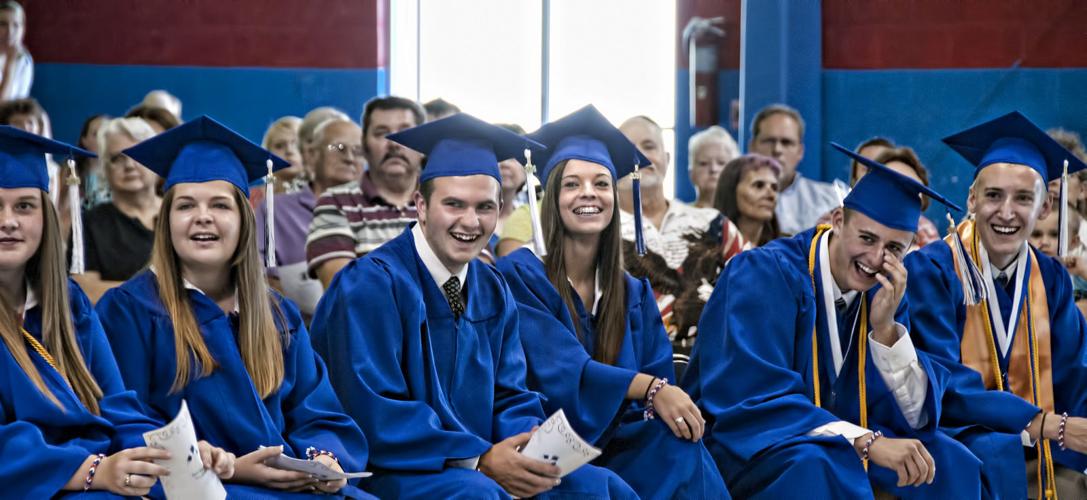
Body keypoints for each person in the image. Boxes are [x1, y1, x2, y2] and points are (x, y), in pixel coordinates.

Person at [311, 112, 638, 499]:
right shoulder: (371, 285)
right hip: (395, 468)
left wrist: (526, 446)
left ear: (500, 209)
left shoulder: (492, 287)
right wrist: (479, 459)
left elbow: (511, 392)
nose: (470, 221)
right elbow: (373, 410)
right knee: (477, 495)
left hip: (480, 461)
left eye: (485, 207)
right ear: (420, 205)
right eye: (454, 204)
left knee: (599, 486)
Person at [684, 141, 983, 498]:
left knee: (949, 459)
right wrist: (867, 442)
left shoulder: (885, 291)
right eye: (867, 238)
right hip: (750, 449)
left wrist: (886, 331)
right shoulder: (764, 274)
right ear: (839, 220)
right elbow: (751, 398)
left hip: (838, 442)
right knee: (818, 464)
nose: (875, 258)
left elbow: (910, 414)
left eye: (893, 248)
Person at [95, 116, 371, 498]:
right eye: (186, 205)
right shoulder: (129, 310)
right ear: (166, 222)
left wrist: (324, 459)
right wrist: (215, 465)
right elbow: (124, 420)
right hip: (204, 490)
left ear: (244, 220)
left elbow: (317, 411)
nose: (203, 216)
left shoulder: (278, 315)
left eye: (220, 205)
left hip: (292, 484)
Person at [497, 105, 730, 498]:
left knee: (680, 449)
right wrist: (651, 387)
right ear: (552, 198)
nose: (588, 193)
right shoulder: (521, 275)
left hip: (618, 443)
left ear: (615, 198)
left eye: (601, 183)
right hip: (547, 446)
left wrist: (659, 398)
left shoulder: (633, 292)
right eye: (572, 184)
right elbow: (561, 371)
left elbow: (657, 389)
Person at [0, 125, 233, 497]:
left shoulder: (68, 304)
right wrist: (90, 471)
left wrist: (178, 455)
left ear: (44, 216)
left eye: (24, 205)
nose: (9, 221)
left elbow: (116, 404)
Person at [905, 111, 1087, 499]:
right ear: (972, 198)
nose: (1006, 212)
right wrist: (1042, 423)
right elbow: (943, 381)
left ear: (1045, 208)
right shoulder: (933, 270)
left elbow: (1075, 372)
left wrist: (1069, 435)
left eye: (1024, 198)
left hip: (1044, 443)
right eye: (993, 195)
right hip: (960, 439)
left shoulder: (1051, 278)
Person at [306, 96, 424, 288]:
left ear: (422, 146)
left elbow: (474, 287)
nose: (394, 142)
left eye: (405, 132)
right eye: (381, 133)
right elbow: (348, 291)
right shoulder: (336, 203)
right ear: (365, 148)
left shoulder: (447, 201)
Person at [256, 118, 364, 319]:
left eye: (358, 150)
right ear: (312, 155)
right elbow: (263, 278)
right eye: (338, 148)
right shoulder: (273, 209)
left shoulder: (382, 209)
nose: (349, 157)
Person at [73, 117, 159, 303]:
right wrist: (160, 292)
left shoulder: (180, 213)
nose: (129, 165)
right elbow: (85, 291)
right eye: (116, 158)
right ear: (104, 167)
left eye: (137, 154)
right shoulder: (89, 224)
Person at [617, 115, 721, 269]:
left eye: (649, 146)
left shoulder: (713, 223)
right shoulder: (595, 232)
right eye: (626, 149)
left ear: (667, 159)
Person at [749, 104, 847, 236]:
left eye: (786, 142)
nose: (777, 150)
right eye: (769, 141)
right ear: (752, 147)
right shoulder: (734, 201)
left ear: (800, 151)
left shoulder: (831, 199)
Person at [713, 153, 781, 246]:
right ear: (731, 191)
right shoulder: (705, 252)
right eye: (759, 185)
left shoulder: (788, 250)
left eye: (774, 187)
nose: (771, 195)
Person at [689, 125, 740, 209]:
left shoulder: (745, 217)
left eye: (721, 163)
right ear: (691, 173)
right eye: (704, 163)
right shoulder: (679, 217)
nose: (713, 169)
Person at [261, 116, 305, 194]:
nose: (289, 151)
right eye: (279, 146)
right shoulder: (253, 198)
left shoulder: (325, 195)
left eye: (296, 144)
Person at [0, 1, 31, 100]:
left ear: (23, 30)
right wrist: (10, 64)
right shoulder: (13, 60)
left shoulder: (24, 60)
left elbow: (19, 103)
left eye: (16, 25)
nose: (10, 31)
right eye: (3, 24)